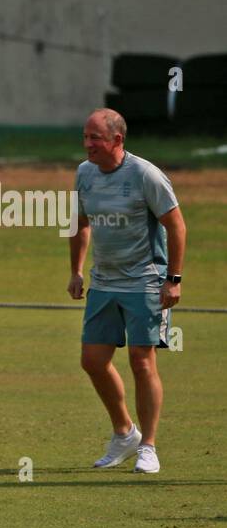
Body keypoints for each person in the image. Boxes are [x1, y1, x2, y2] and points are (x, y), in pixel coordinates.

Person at [69, 108, 185, 474]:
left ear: (117, 140)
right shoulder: (85, 174)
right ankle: (124, 432)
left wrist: (174, 279)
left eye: (95, 138)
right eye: (86, 137)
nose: (88, 145)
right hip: (103, 281)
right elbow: (80, 223)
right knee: (92, 361)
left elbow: (177, 227)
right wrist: (75, 271)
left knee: (141, 360)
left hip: (146, 281)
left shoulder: (145, 175)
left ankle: (148, 446)